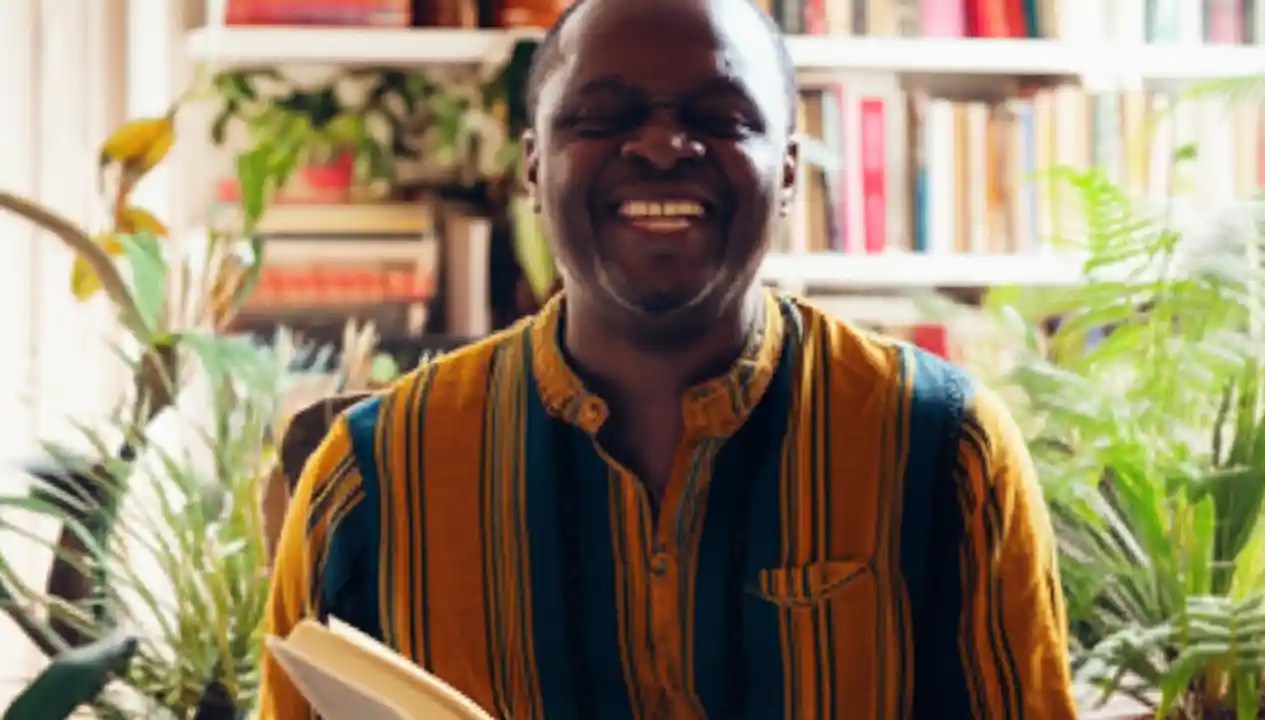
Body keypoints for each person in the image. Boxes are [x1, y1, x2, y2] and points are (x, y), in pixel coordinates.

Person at [258, 0, 1078, 716]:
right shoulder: (373, 476)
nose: (660, 146)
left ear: (788, 172)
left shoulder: (944, 450)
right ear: (534, 168)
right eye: (602, 116)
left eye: (720, 116)